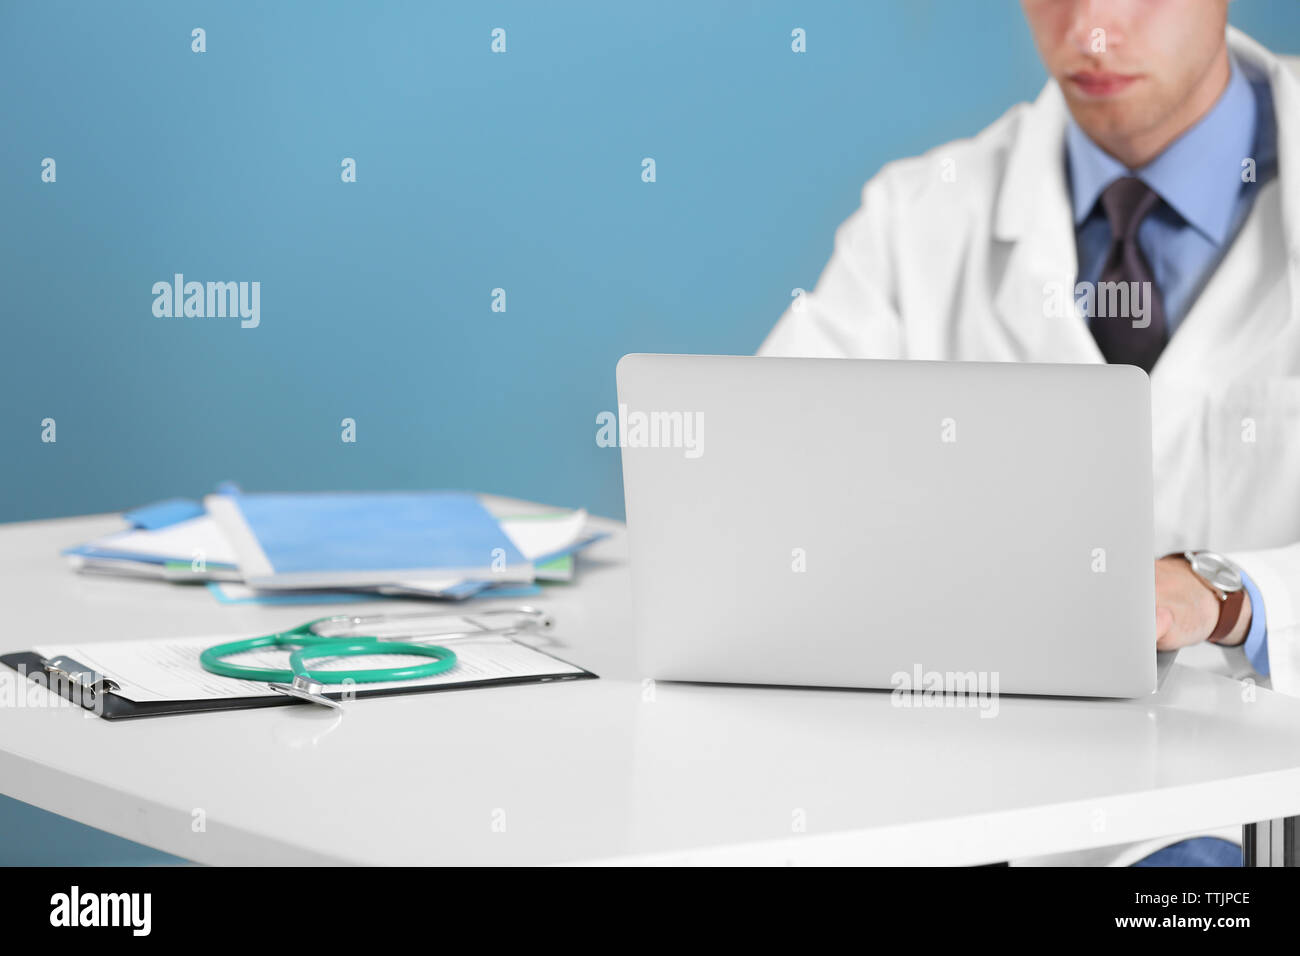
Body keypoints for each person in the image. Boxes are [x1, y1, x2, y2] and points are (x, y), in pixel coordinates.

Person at [759, 0, 1300, 865]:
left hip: (1264, 811)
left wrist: (1229, 595)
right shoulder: (920, 215)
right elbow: (767, 487)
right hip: (974, 798)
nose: (1089, 27)